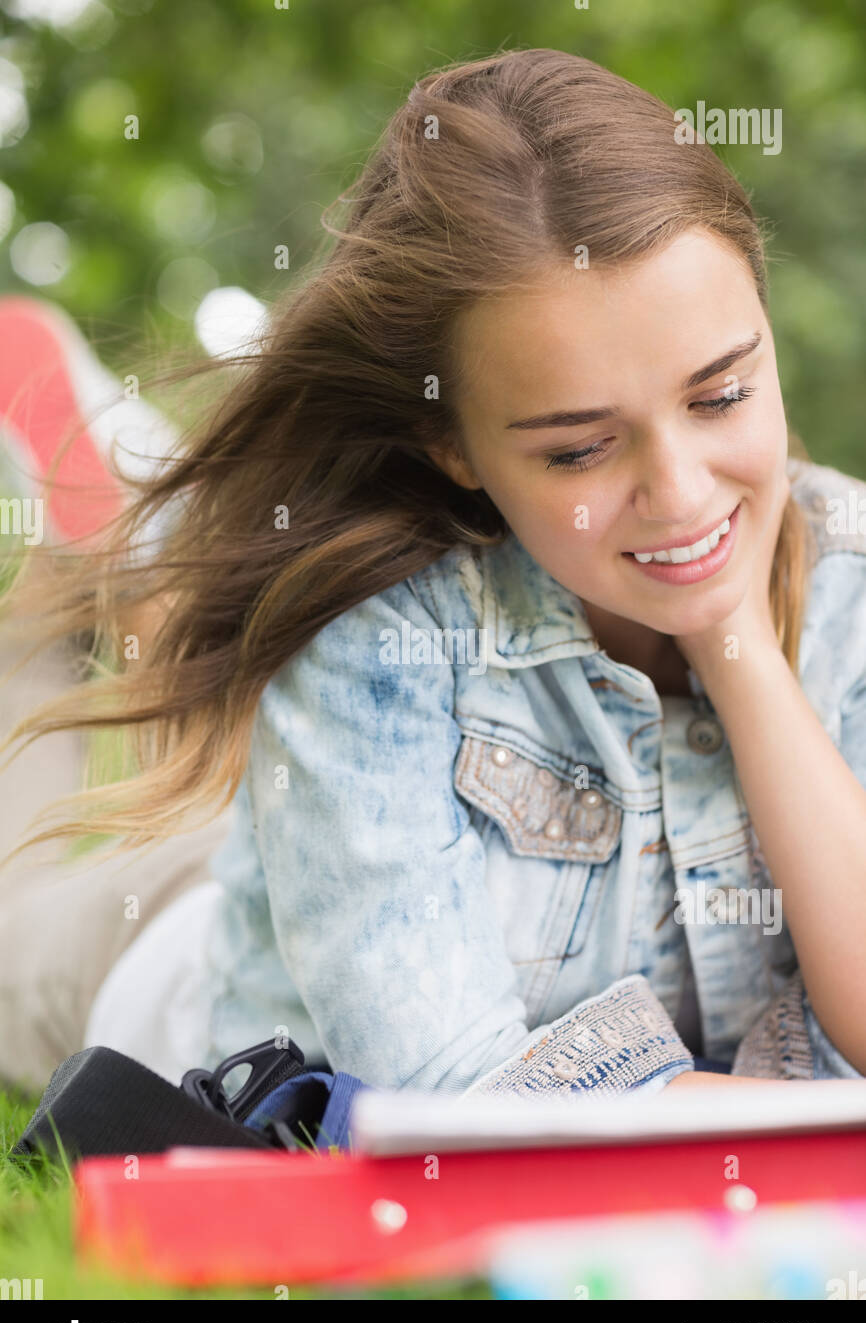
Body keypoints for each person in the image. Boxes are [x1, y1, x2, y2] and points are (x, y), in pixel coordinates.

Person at [2, 48, 865, 1102]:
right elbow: (455, 1083)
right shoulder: (376, 635)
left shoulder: (846, 571)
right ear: (452, 445)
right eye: (578, 448)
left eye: (720, 395)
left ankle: (120, 542)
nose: (681, 494)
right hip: (176, 975)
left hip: (312, 844)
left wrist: (735, 645)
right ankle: (57, 593)